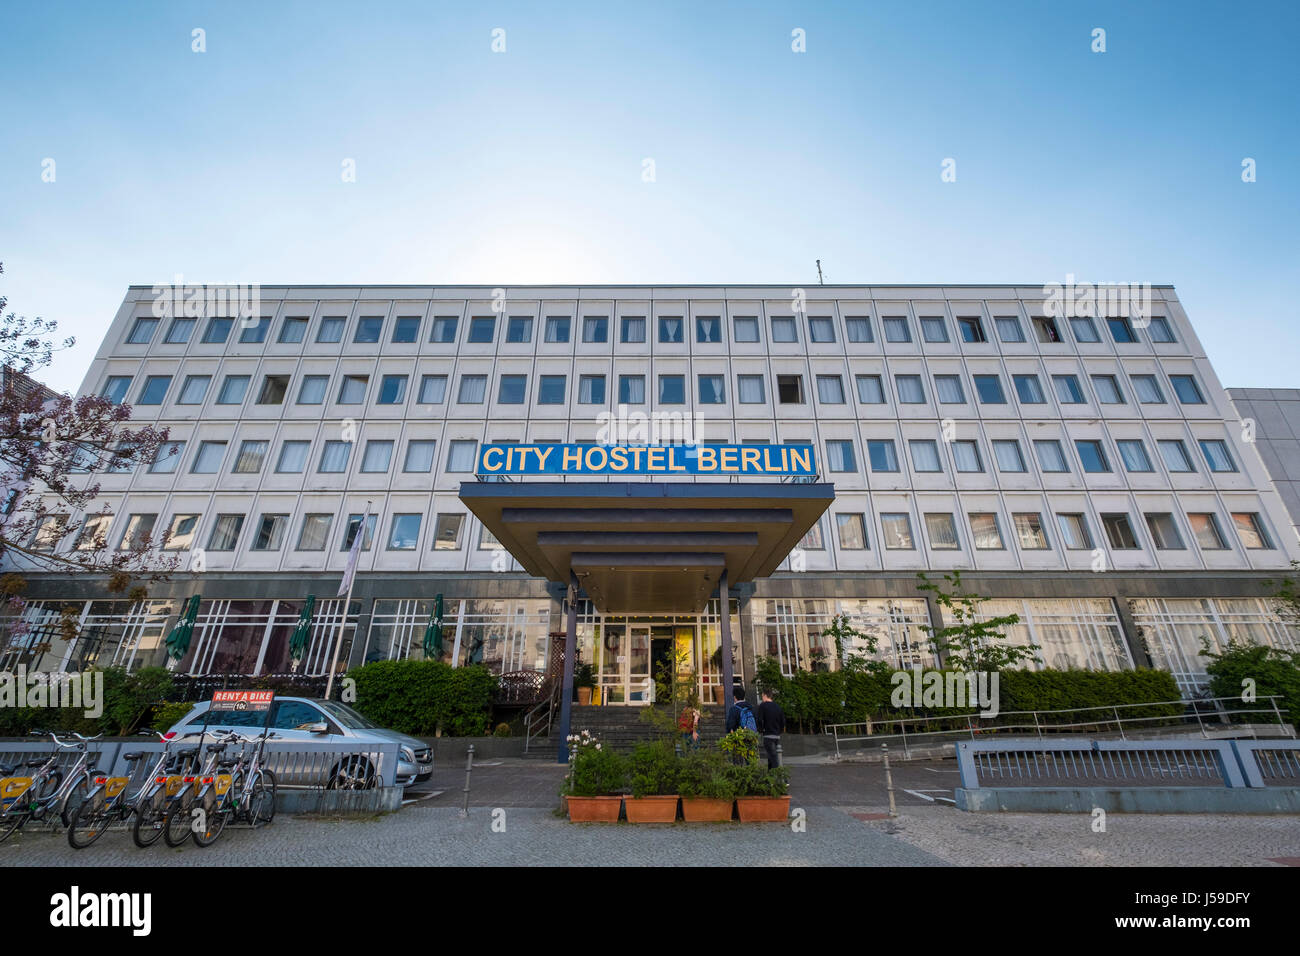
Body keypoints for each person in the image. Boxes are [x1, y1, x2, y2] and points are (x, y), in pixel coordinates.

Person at [756, 689, 786, 769]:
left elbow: (759, 720)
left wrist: (761, 730)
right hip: (776, 735)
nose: (762, 698)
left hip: (768, 735)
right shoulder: (777, 706)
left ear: (765, 695)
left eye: (762, 696)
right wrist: (779, 731)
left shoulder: (763, 706)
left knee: (773, 758)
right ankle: (770, 778)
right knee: (771, 757)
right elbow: (783, 721)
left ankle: (781, 777)